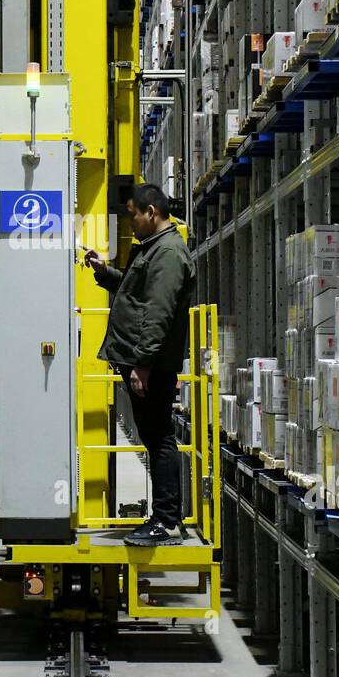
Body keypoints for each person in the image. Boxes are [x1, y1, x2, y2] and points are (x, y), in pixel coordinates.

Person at [84, 183, 196, 546]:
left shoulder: (167, 253)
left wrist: (143, 364)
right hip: (146, 361)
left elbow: (158, 312)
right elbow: (136, 295)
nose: (129, 222)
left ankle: (167, 522)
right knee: (153, 436)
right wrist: (104, 272)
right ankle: (164, 518)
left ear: (152, 212)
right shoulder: (155, 249)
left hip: (153, 365)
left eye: (133, 214)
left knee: (159, 437)